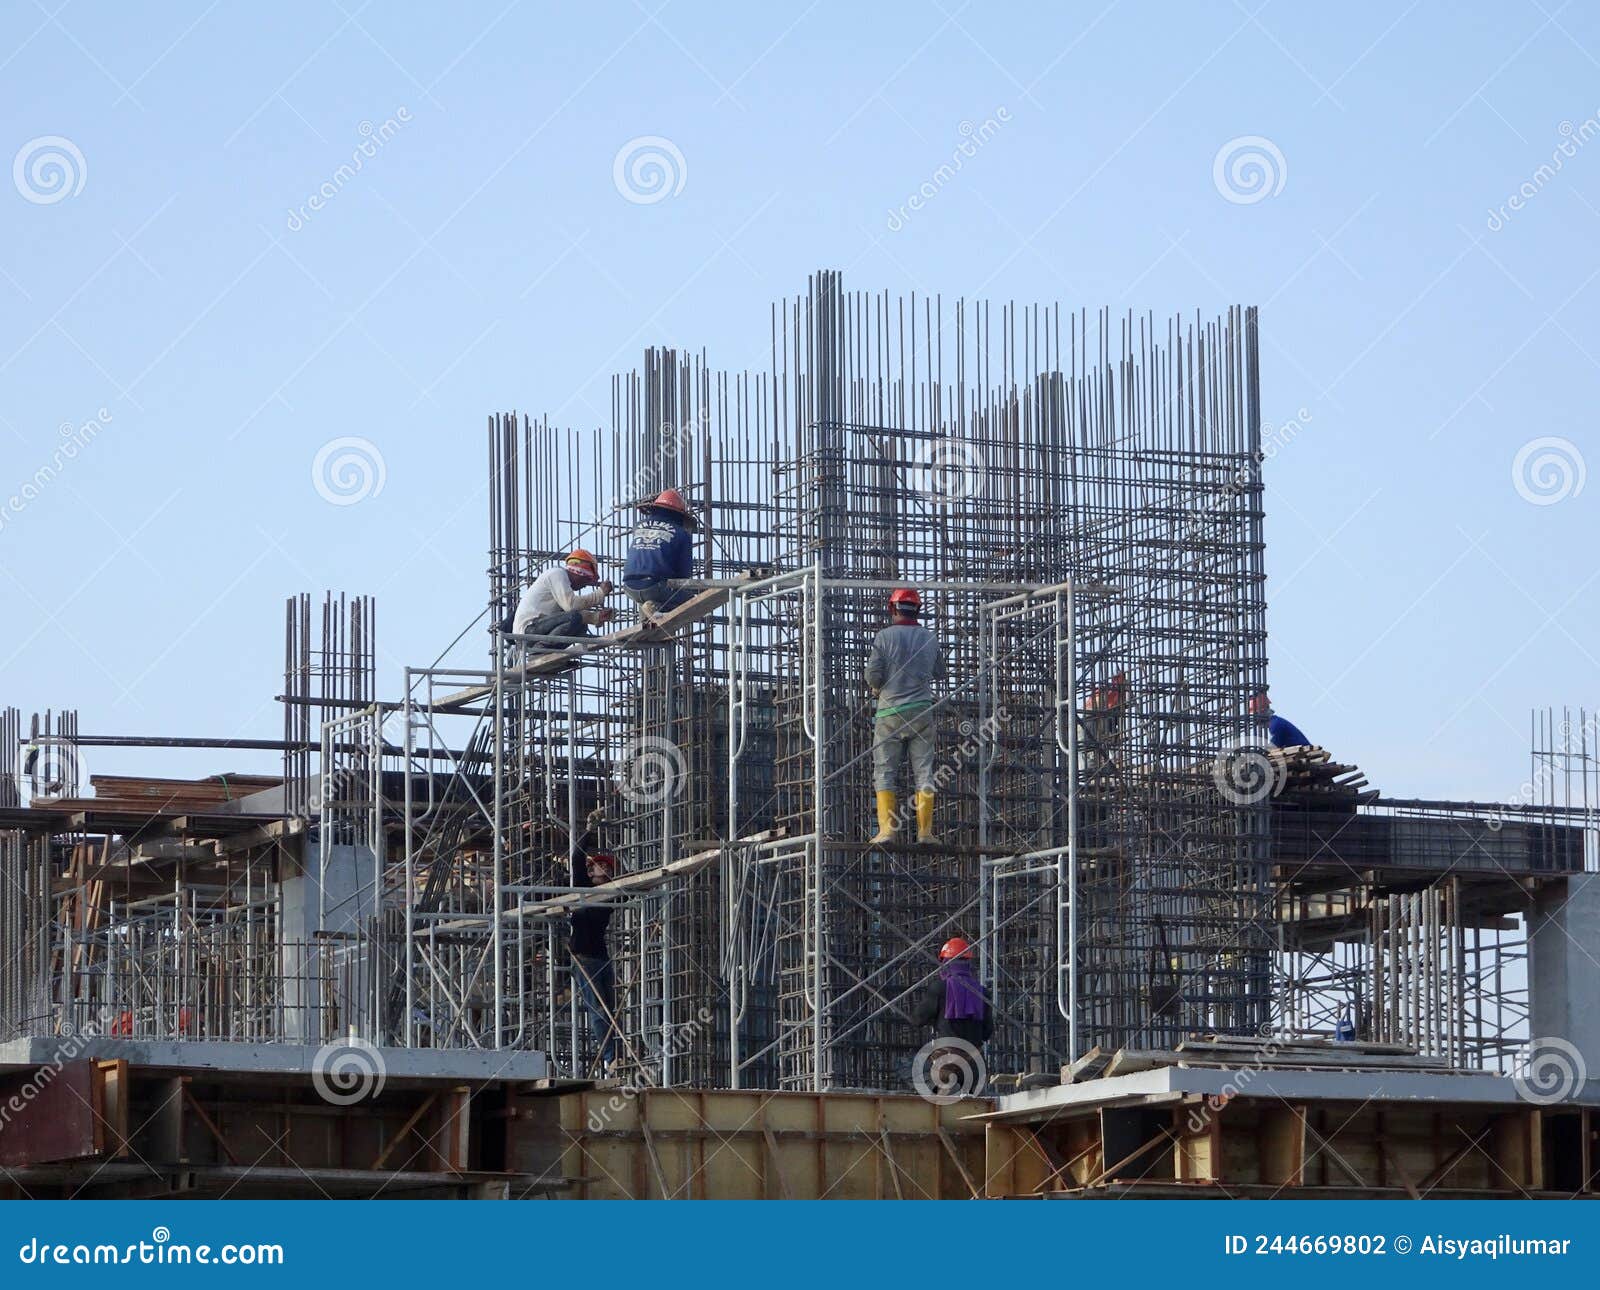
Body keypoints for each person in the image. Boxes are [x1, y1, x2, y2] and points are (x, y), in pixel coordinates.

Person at [865, 587, 945, 844]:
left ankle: (888, 831)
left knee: (885, 771)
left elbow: (873, 674)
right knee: (924, 771)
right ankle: (925, 832)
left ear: (892, 608)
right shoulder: (929, 638)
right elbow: (940, 672)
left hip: (889, 713)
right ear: (918, 609)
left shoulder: (884, 636)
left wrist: (878, 686)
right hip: (922, 710)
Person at [569, 806, 621, 1074]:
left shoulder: (611, 892)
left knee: (611, 1009)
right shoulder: (583, 887)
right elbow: (577, 857)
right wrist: (589, 830)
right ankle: (610, 1058)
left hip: (601, 957)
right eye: (594, 865)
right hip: (583, 957)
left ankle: (616, 1056)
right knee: (599, 1010)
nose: (594, 868)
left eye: (601, 865)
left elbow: (633, 887)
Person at [511, 549, 614, 652]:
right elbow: (571, 606)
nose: (584, 585)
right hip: (528, 631)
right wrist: (600, 594)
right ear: (578, 573)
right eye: (586, 580)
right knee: (575, 617)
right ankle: (539, 651)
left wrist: (596, 617)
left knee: (581, 626)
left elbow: (565, 614)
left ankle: (546, 651)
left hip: (535, 631)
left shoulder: (561, 584)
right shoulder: (557, 574)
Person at [621, 488, 699, 615]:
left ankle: (648, 618)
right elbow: (684, 575)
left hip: (629, 587)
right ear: (679, 515)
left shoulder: (638, 526)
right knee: (692, 602)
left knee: (651, 597)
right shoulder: (681, 533)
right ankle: (654, 608)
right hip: (654, 587)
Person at [910, 937, 994, 1052]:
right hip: (974, 1060)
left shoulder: (939, 988)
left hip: (947, 1059)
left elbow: (918, 1019)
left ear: (945, 963)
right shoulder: (983, 992)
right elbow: (987, 1032)